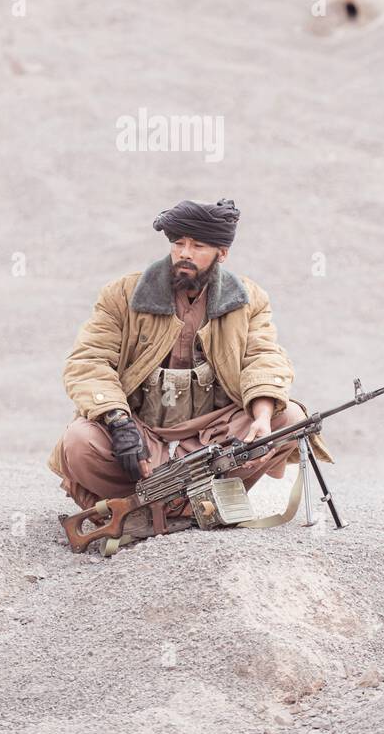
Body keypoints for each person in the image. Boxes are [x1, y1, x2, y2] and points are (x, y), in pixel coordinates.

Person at [47, 197, 332, 539]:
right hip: (141, 433)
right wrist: (118, 422)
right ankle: (159, 507)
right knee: (78, 442)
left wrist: (261, 416)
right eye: (178, 243)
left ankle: (189, 505)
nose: (184, 252)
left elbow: (264, 356)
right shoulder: (122, 294)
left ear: (221, 253)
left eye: (197, 246)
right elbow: (87, 360)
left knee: (289, 422)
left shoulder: (249, 300)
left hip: (212, 436)